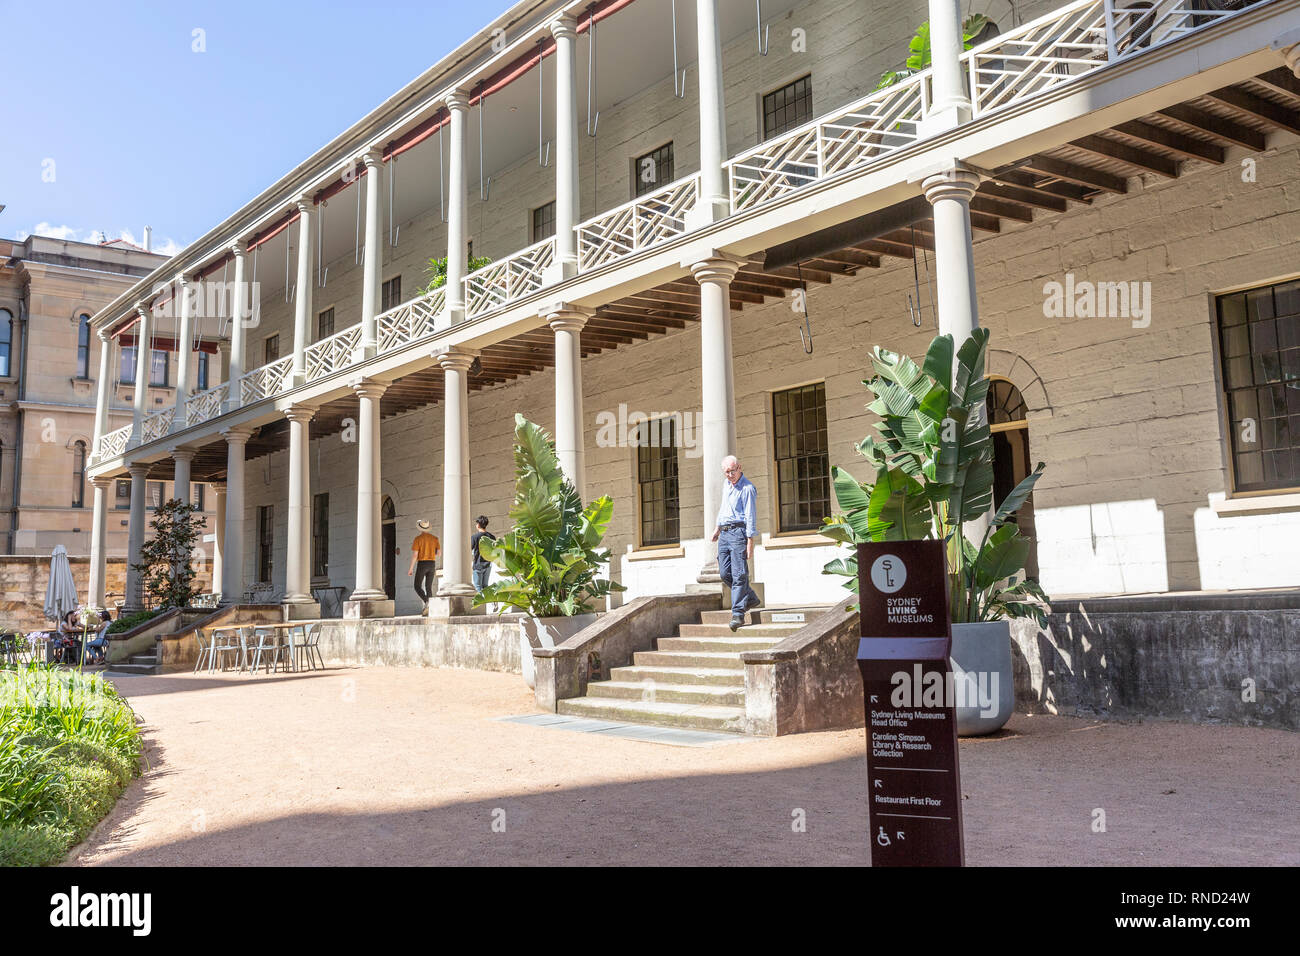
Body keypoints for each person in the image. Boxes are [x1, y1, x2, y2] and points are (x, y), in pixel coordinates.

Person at [711, 455, 762, 631]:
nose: (731, 475)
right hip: (724, 533)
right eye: (727, 472)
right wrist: (717, 528)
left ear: (739, 467)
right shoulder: (726, 485)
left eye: (733, 471)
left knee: (739, 574)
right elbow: (724, 507)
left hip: (739, 532)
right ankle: (751, 597)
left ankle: (738, 613)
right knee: (725, 573)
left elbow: (750, 516)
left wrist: (750, 542)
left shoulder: (747, 488)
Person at [408, 519, 441, 613]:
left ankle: (427, 601)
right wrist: (430, 552)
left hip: (422, 563)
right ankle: (430, 608)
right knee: (428, 587)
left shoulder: (418, 539)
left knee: (417, 586)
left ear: (420, 528)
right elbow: (439, 553)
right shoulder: (435, 539)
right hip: (432, 563)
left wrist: (410, 569)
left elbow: (415, 555)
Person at [471, 516, 496, 593]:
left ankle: (481, 605)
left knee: (478, 587)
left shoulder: (475, 537)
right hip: (488, 564)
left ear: (478, 525)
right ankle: (485, 604)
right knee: (485, 587)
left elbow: (470, 549)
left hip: (478, 565)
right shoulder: (492, 537)